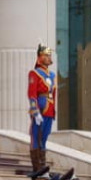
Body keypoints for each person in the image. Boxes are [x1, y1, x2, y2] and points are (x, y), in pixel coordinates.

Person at [27, 42, 58, 173]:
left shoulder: (52, 75)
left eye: (49, 55)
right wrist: (35, 112)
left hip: (49, 108)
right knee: (36, 136)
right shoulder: (34, 73)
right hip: (40, 107)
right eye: (46, 55)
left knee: (44, 137)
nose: (48, 57)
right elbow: (32, 93)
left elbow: (54, 94)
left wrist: (53, 110)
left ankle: (43, 164)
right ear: (40, 57)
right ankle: (36, 166)